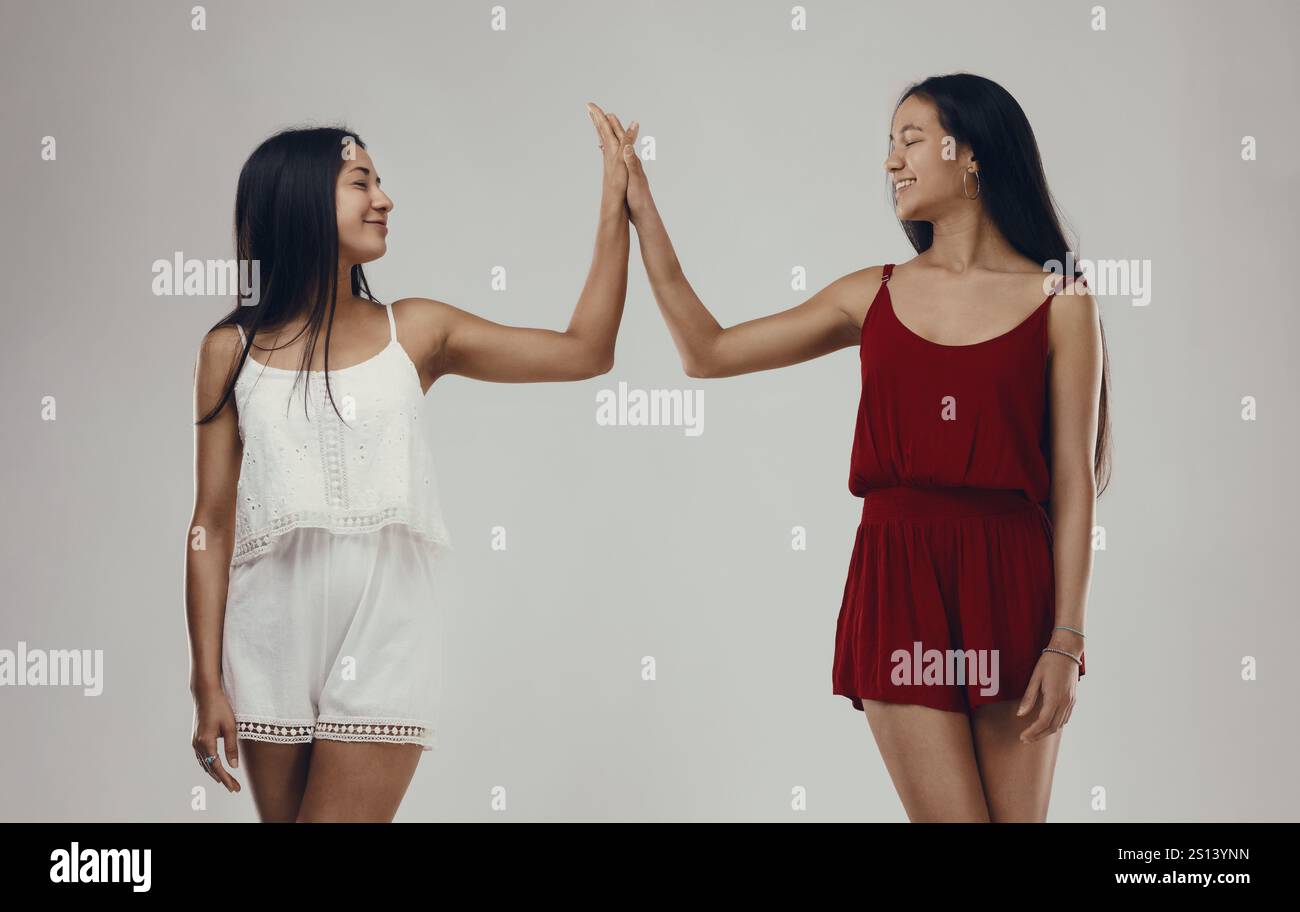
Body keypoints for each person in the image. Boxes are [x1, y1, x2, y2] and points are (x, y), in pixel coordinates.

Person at [613, 73, 1111, 822]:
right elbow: (706, 350)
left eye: (910, 140)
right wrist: (643, 213)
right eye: (889, 145)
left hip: (1014, 585)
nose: (891, 162)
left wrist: (1067, 642)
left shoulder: (1061, 302)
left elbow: (1074, 485)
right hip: (898, 583)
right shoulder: (868, 293)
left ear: (970, 153)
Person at [186, 104, 635, 822]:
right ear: (300, 202)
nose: (384, 199)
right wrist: (206, 681)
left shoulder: (418, 330)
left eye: (380, 182)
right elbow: (209, 525)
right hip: (268, 635)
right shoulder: (228, 349)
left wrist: (614, 205)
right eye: (361, 182)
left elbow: (586, 350)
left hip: (387, 628)